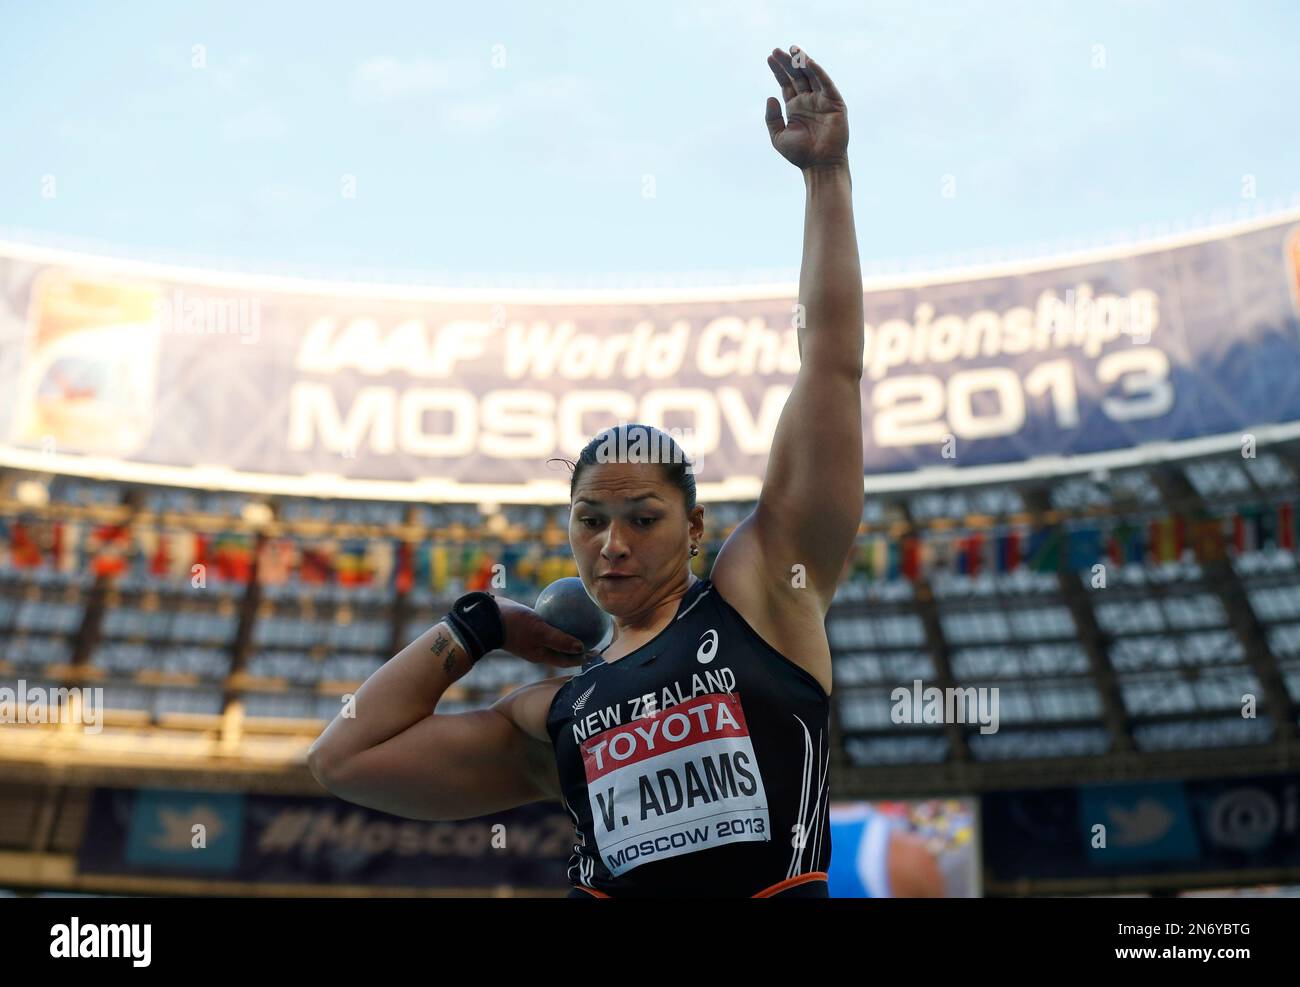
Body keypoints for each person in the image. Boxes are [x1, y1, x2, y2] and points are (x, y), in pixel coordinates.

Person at [308, 44, 864, 898]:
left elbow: (827, 365)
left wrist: (825, 177)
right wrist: (476, 625)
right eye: (590, 520)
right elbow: (343, 758)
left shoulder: (766, 594)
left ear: (696, 528)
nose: (611, 544)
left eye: (643, 518)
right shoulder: (555, 713)